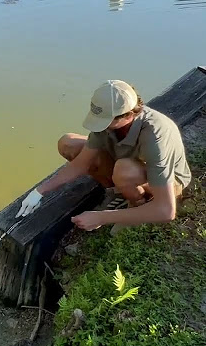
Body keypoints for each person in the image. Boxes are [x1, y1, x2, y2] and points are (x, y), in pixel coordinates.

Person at [17, 80, 191, 232]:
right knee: (68, 143)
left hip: (164, 183)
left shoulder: (155, 134)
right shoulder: (107, 122)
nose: (102, 126)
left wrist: (102, 217)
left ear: (129, 115)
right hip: (125, 164)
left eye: (107, 122)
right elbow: (81, 164)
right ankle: (118, 192)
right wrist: (39, 191)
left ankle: (138, 206)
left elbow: (166, 211)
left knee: (125, 170)